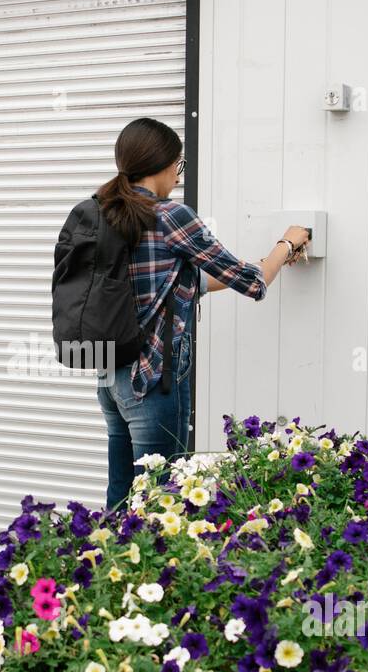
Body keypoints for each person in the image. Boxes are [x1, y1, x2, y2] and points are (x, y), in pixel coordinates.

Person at [96, 116, 309, 511]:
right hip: (153, 382)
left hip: (112, 379)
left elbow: (184, 284)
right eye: (178, 166)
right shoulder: (170, 216)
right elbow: (253, 283)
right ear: (162, 165)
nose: (177, 177)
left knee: (120, 501)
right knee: (160, 506)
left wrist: (263, 261)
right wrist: (287, 243)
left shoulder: (106, 213)